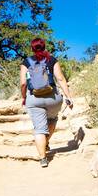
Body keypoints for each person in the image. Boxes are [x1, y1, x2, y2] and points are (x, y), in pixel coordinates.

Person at [19, 38, 73, 168]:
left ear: (32, 48)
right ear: (44, 47)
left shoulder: (26, 62)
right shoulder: (52, 60)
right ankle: (46, 142)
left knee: (39, 129)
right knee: (52, 120)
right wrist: (68, 96)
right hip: (53, 98)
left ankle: (43, 158)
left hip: (34, 98)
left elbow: (23, 83)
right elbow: (60, 78)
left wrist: (23, 97)